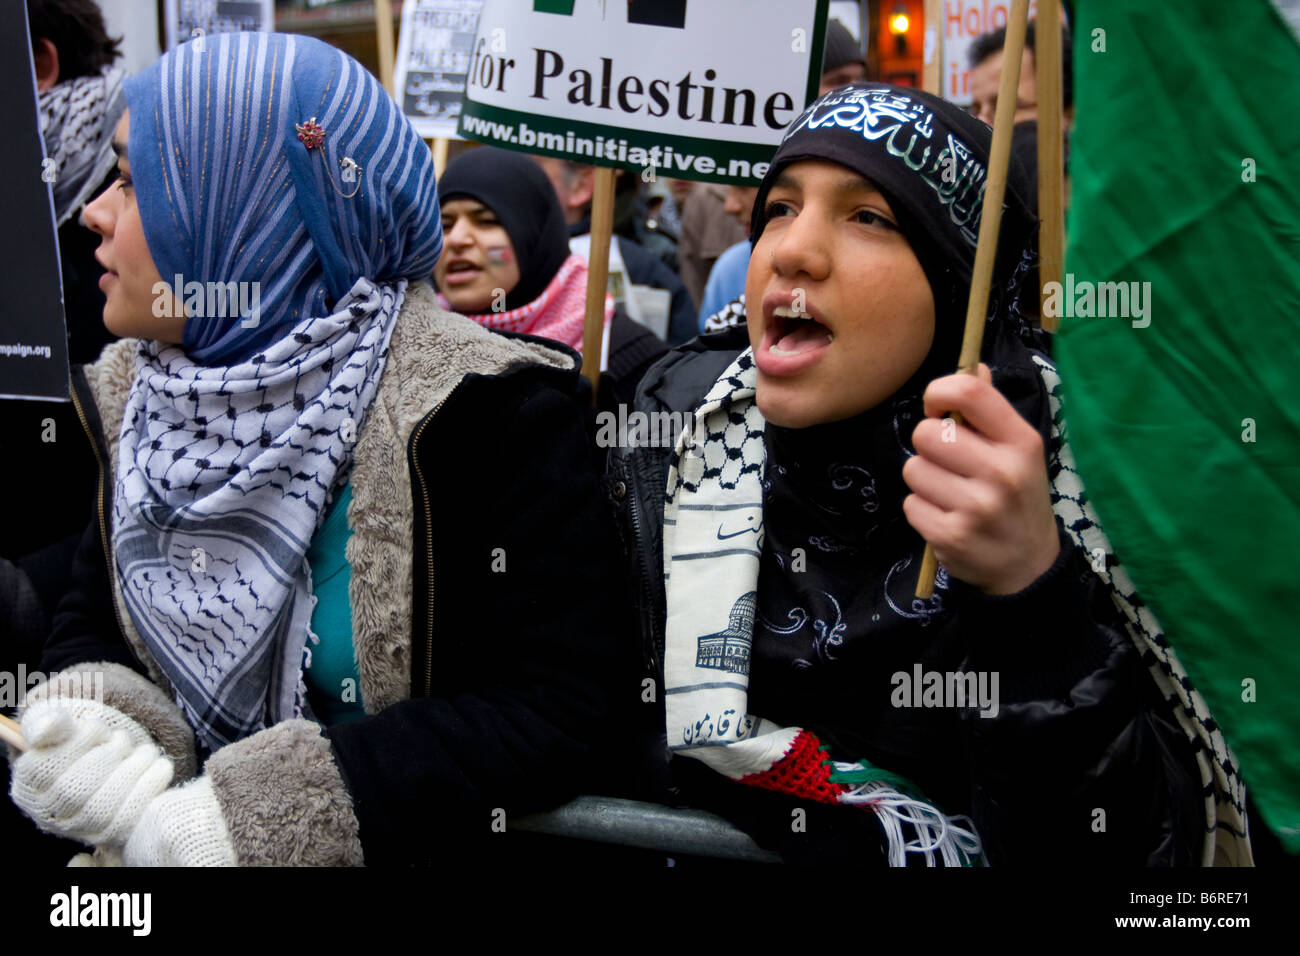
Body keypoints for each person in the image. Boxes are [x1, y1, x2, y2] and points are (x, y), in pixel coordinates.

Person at [8, 32, 628, 867]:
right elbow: (100, 617)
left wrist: (273, 811)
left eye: (131, 178)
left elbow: (561, 709)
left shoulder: (491, 412)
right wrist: (104, 721)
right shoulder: (139, 398)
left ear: (238, 206)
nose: (95, 211)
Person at [606, 83, 1246, 866]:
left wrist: (1030, 595)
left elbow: (1157, 865)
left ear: (958, 283)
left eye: (869, 216)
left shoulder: (1085, 475)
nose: (792, 251)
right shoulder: (671, 429)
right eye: (778, 207)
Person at [436, 147, 667, 411]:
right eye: (444, 224)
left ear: (535, 235)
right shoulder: (399, 345)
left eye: (486, 221)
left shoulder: (628, 361)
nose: (457, 239)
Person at [532, 156, 697, 346]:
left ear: (581, 185)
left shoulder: (639, 264)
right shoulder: (506, 265)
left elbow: (681, 355)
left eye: (534, 168)